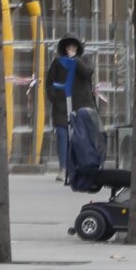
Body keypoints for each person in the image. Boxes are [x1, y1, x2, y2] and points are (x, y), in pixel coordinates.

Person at [47, 36, 97, 180]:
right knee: (62, 134)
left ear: (78, 48)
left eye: (73, 47)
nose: (70, 50)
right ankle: (63, 168)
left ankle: (82, 167)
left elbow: (87, 72)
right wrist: (54, 97)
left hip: (82, 104)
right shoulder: (58, 62)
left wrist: (75, 59)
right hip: (62, 105)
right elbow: (50, 82)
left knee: (81, 136)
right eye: (68, 47)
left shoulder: (85, 60)